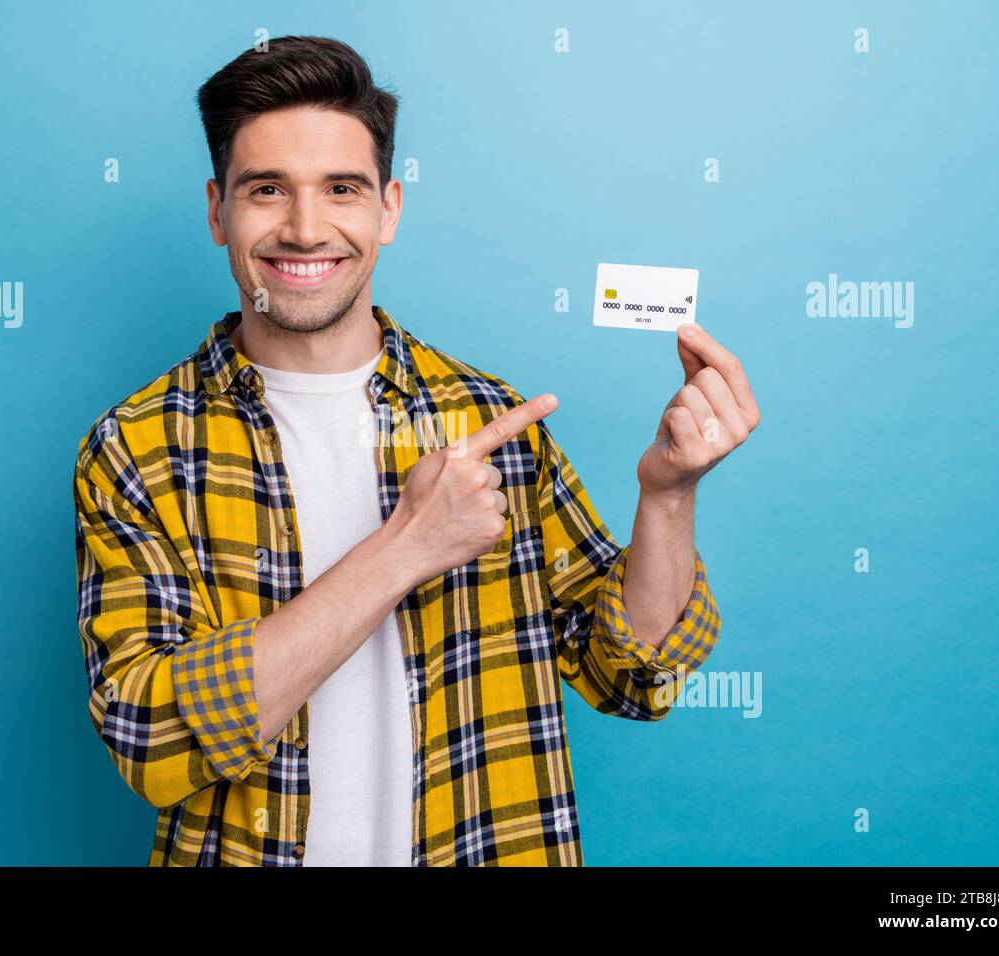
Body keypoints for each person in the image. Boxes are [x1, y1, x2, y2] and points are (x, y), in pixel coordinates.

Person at [72, 35, 760, 867]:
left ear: (389, 209)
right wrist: (404, 548)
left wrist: (670, 497)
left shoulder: (490, 421)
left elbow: (630, 673)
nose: (305, 227)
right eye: (266, 190)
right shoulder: (138, 446)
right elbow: (150, 735)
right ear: (217, 210)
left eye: (342, 189)